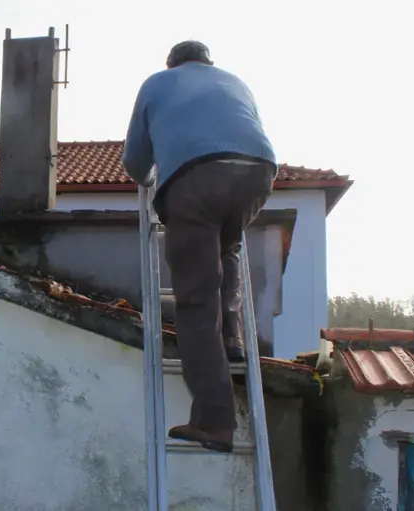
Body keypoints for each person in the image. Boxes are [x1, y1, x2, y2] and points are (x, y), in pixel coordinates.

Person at [122, 40, 276, 452]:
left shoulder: (158, 83)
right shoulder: (235, 82)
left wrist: (155, 173)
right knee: (225, 247)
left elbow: (135, 162)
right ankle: (233, 340)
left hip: (195, 180)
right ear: (209, 62)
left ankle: (215, 423)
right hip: (257, 174)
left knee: (194, 301)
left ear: (171, 63)